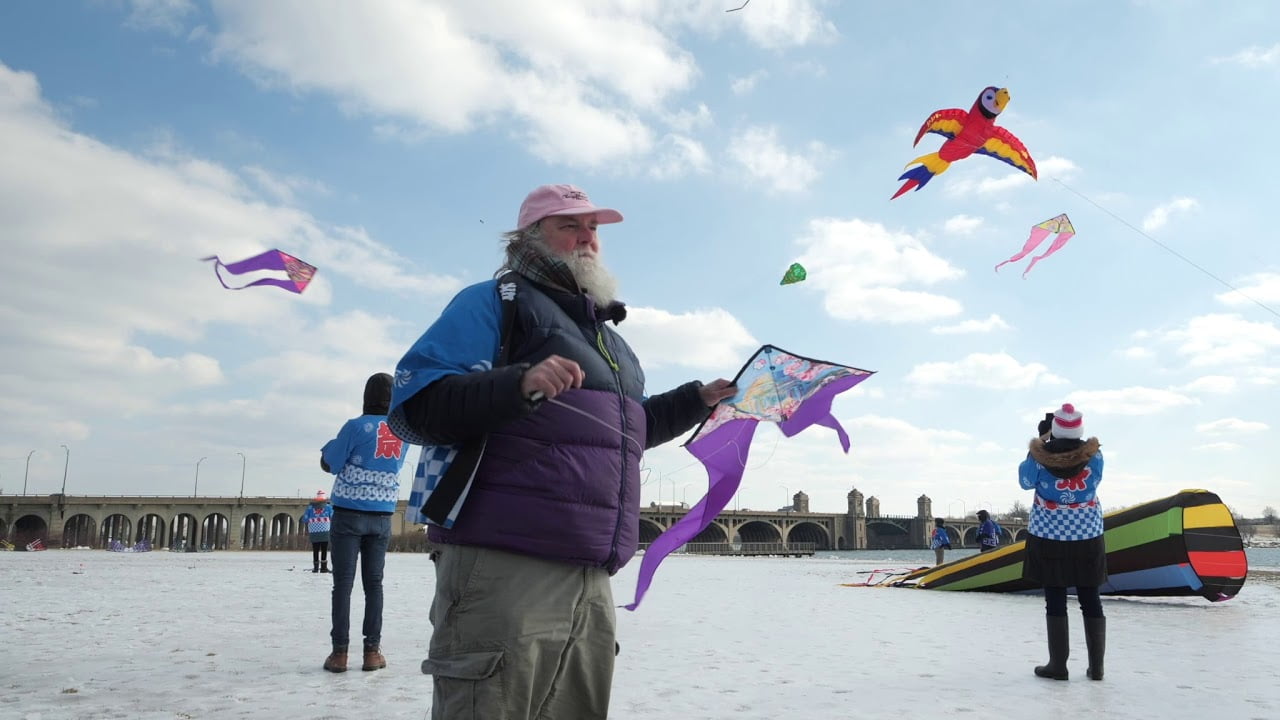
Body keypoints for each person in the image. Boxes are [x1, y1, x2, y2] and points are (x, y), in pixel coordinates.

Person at [387, 183, 736, 720]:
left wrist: (696, 400)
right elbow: (417, 406)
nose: (587, 238)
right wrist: (517, 384)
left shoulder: (612, 342)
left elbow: (622, 436)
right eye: (569, 225)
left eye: (593, 228)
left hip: (592, 576)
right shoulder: (492, 302)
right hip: (504, 566)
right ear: (530, 236)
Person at [319, 372, 408, 674]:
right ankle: (372, 652)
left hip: (348, 514)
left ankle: (340, 654)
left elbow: (331, 463)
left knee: (342, 586)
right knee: (374, 585)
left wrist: (330, 447)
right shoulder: (402, 431)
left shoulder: (355, 427)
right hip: (383, 516)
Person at [1019, 402, 1106, 681]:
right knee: (1090, 599)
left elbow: (1025, 480)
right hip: (1087, 535)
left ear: (1053, 429)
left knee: (1055, 598)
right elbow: (1096, 480)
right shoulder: (1095, 456)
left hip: (1049, 535)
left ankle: (1058, 665)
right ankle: (1097, 668)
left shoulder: (1040, 457)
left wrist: (1042, 442)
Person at [301, 490, 333, 573]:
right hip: (325, 530)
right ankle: (323, 568)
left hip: (313, 531)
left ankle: (315, 568)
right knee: (324, 549)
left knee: (315, 549)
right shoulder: (328, 507)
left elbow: (305, 519)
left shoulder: (310, 508)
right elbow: (333, 517)